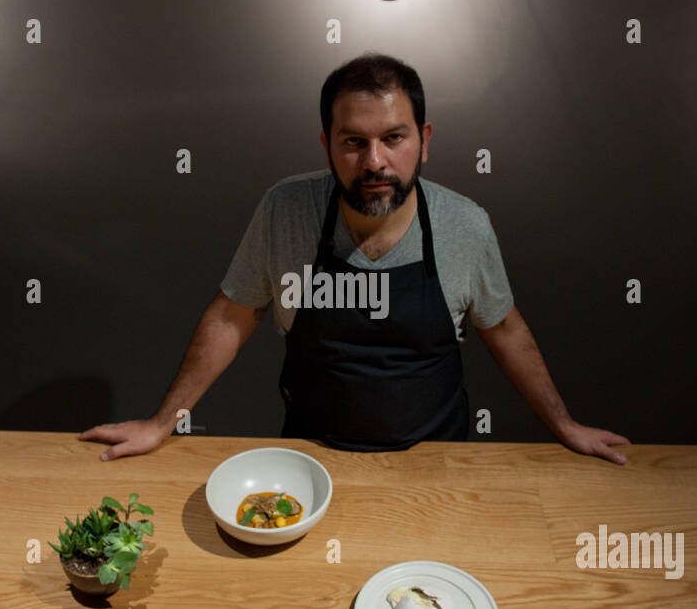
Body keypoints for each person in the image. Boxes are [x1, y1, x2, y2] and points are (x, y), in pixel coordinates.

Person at [79, 53, 630, 463]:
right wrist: (160, 424)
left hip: (436, 464)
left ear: (425, 138)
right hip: (310, 461)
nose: (375, 161)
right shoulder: (286, 209)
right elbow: (233, 314)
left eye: (394, 137)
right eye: (353, 142)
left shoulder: (465, 224)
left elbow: (504, 328)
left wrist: (565, 426)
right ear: (326, 145)